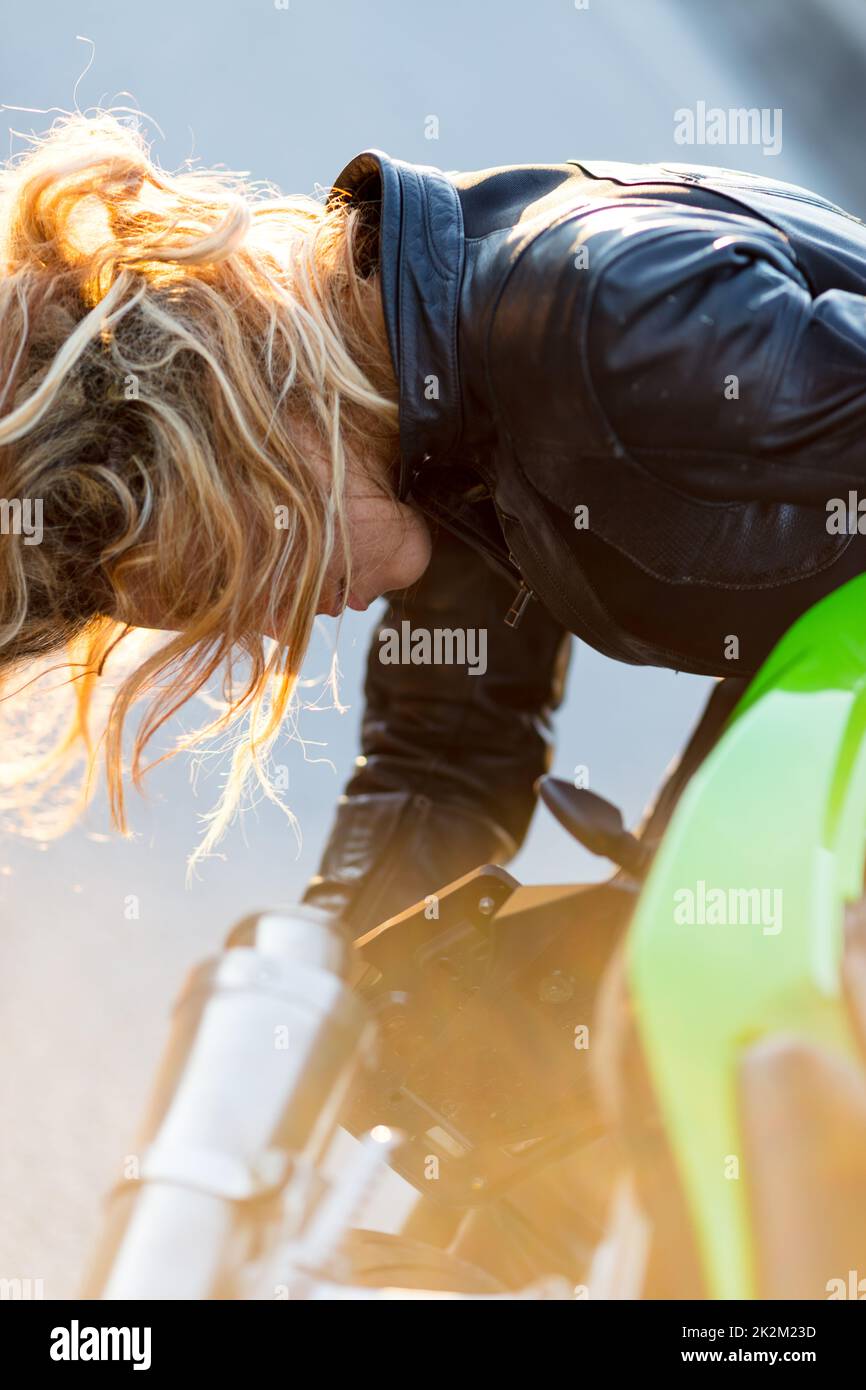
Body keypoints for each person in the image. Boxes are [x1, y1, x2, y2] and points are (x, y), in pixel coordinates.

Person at [4, 112, 866, 906]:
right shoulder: (433, 428)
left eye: (223, 578)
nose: (268, 628)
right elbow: (447, 759)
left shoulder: (600, 324)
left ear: (249, 429)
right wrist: (336, 965)